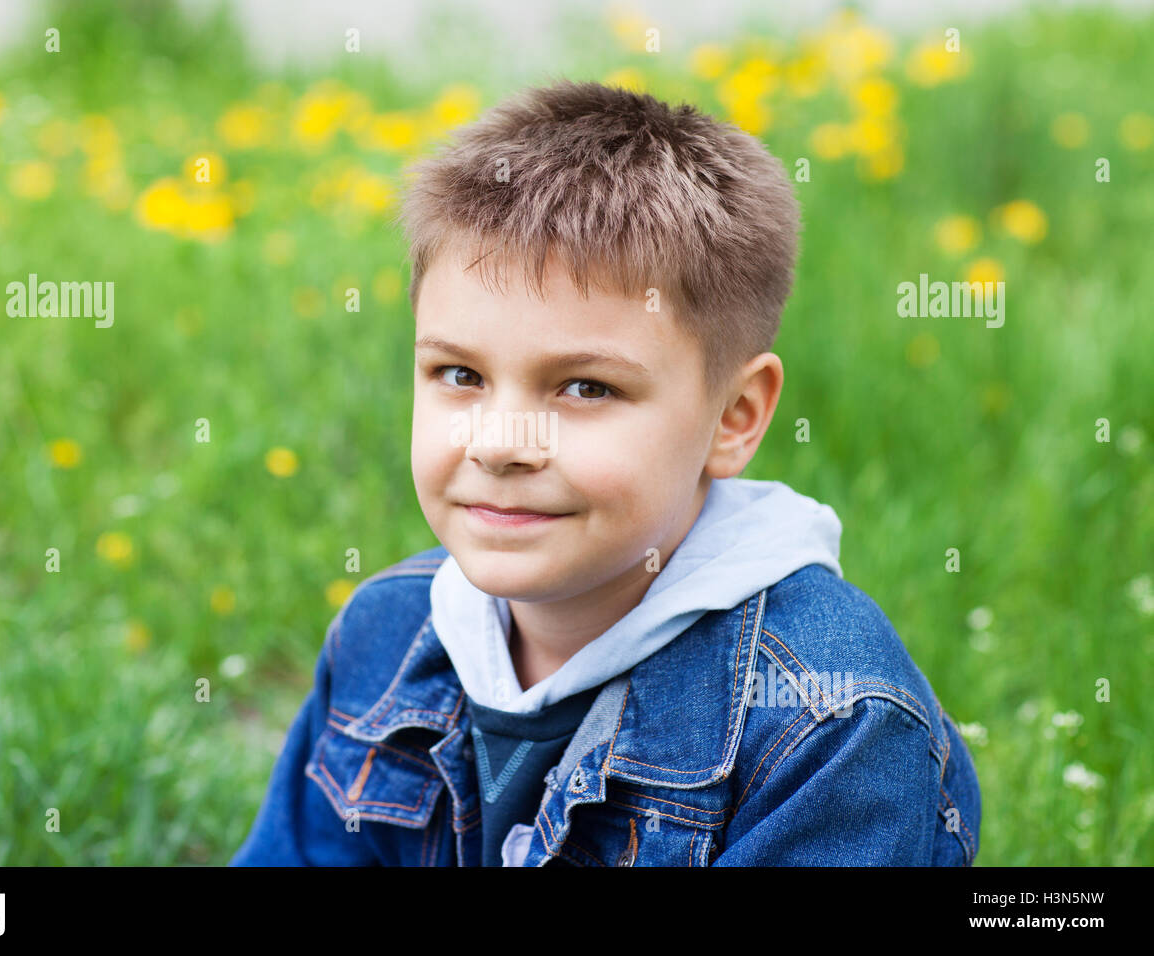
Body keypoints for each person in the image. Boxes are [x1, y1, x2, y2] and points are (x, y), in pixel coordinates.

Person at [230, 79, 980, 866]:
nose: (500, 443)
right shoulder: (383, 633)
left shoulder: (826, 721)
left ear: (736, 416)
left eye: (585, 388)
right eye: (459, 375)